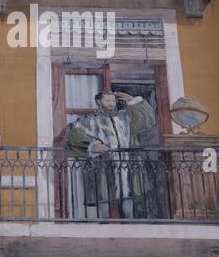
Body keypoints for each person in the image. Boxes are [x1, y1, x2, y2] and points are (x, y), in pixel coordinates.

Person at [64, 89, 157, 219]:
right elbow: (73, 135)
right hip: (102, 165)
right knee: (104, 198)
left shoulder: (125, 117)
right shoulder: (88, 120)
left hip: (126, 164)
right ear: (99, 102)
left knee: (127, 196)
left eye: (113, 100)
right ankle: (105, 224)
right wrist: (93, 145)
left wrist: (132, 101)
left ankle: (129, 225)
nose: (111, 103)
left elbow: (148, 122)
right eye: (107, 100)